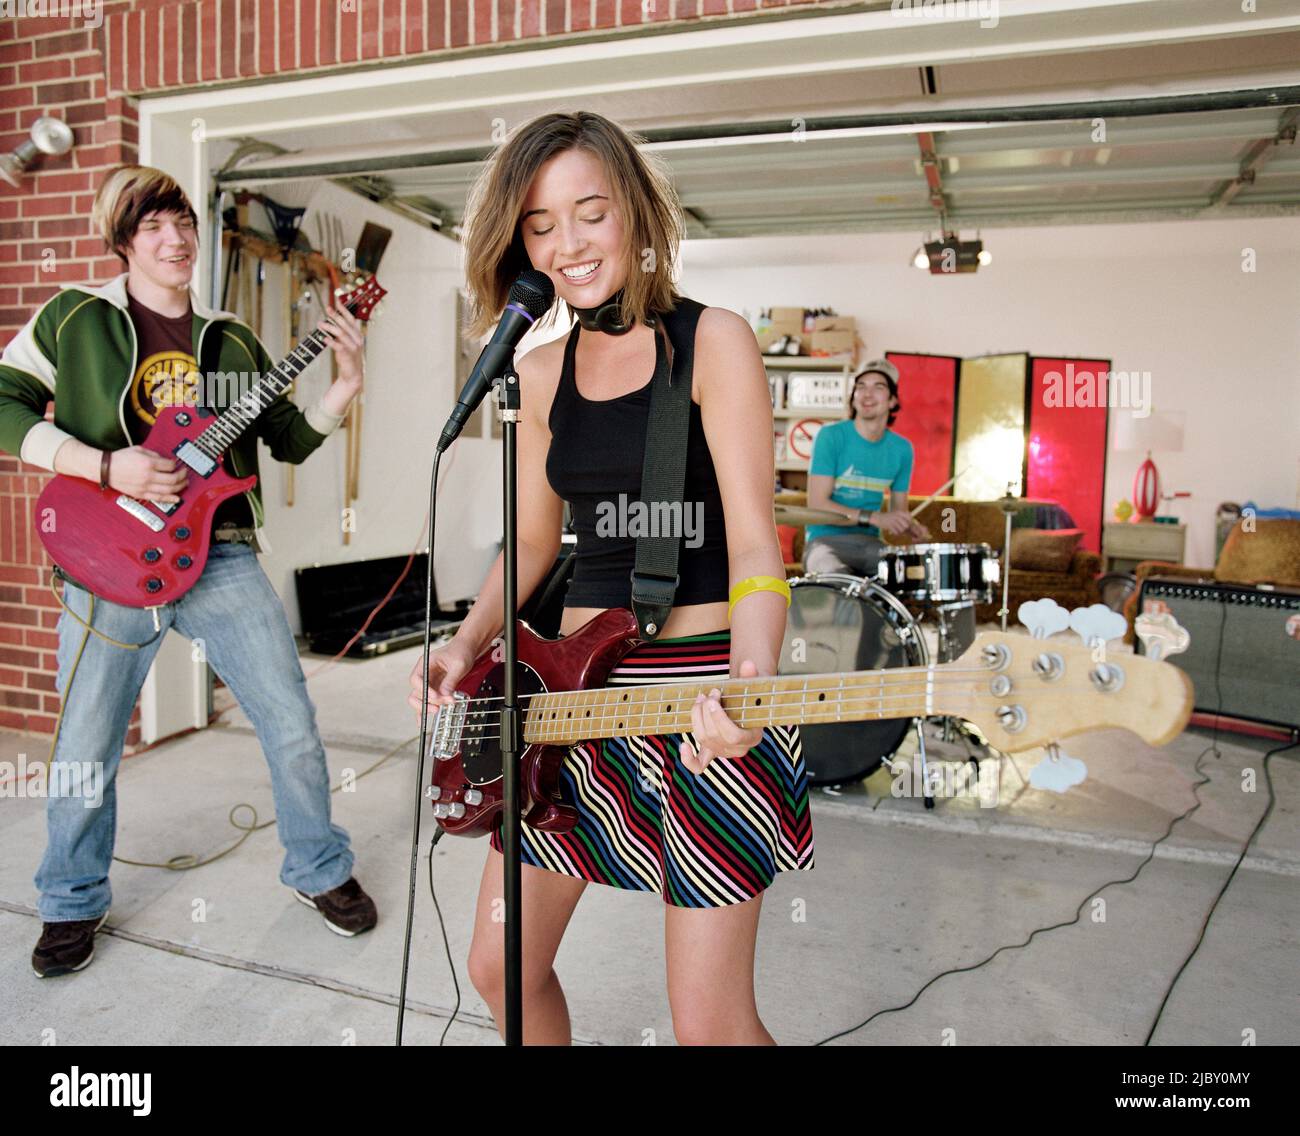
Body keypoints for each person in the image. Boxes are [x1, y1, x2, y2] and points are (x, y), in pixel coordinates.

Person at [408, 111, 813, 1046]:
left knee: (708, 1024)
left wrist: (749, 685)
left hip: (704, 689)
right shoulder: (538, 371)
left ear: (634, 210)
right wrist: (465, 644)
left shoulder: (715, 342)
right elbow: (531, 549)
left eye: (589, 213)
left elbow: (757, 547)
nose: (568, 244)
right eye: (542, 226)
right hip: (566, 703)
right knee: (500, 966)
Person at [0, 165, 378, 978]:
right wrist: (105, 468)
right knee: (84, 745)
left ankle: (320, 869)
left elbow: (286, 439)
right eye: (153, 228)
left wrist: (343, 384)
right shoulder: (74, 319)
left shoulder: (231, 338)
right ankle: (69, 901)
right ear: (124, 241)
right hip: (106, 556)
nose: (175, 241)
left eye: (183, 225)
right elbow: (4, 400)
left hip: (222, 555)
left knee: (289, 720)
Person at [803, 360, 929, 578]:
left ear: (892, 400)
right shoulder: (830, 436)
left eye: (878, 387)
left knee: (906, 575)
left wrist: (911, 526)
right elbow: (817, 504)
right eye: (860, 387)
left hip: (871, 543)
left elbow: (898, 510)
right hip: (824, 542)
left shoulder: (902, 449)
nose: (867, 394)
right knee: (834, 577)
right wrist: (875, 518)